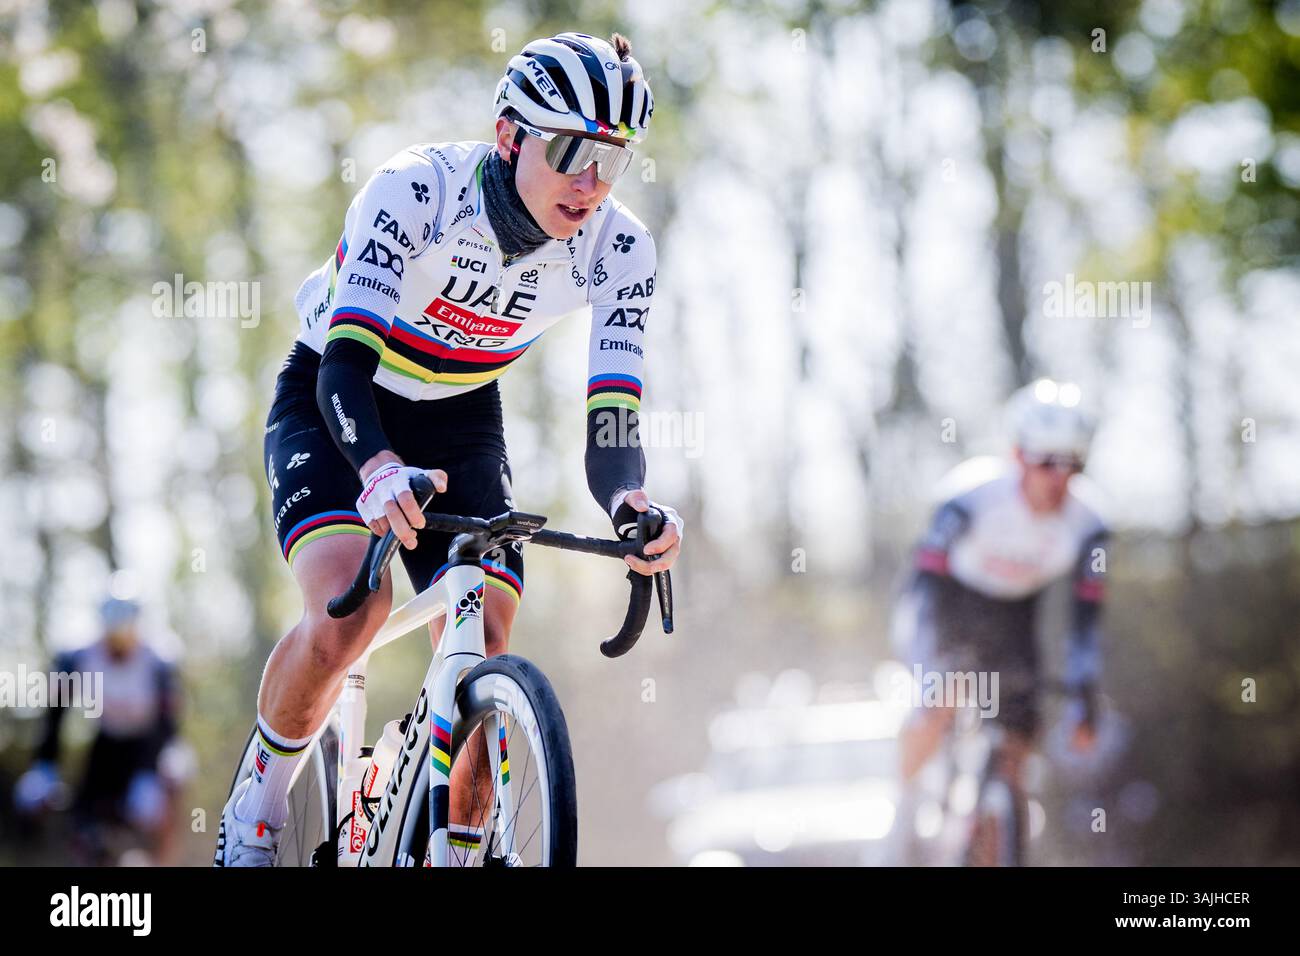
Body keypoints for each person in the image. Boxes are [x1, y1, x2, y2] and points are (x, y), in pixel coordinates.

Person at [215, 31, 684, 866]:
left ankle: (447, 840)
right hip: (340, 401)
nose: (592, 181)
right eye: (573, 150)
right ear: (510, 135)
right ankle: (259, 804)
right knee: (348, 614)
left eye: (613, 160)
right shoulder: (415, 190)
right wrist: (376, 468)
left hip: (463, 414)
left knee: (486, 633)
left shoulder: (620, 249)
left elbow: (613, 411)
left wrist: (630, 504)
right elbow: (345, 369)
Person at [893, 378, 1108, 864]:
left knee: (1015, 748)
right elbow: (923, 592)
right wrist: (929, 675)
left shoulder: (1090, 522)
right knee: (938, 703)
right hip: (949, 604)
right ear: (1017, 455)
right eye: (1046, 461)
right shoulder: (972, 496)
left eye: (1073, 462)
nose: (1059, 477)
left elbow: (1086, 617)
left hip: (1015, 616)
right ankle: (900, 826)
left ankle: (998, 835)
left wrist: (1085, 692)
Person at [14, 595, 184, 865]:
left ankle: (162, 861)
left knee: (177, 775)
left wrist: (151, 772)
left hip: (146, 748)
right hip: (103, 747)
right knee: (80, 825)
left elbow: (169, 724)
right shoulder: (78, 657)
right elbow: (56, 713)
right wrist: (45, 765)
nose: (116, 646)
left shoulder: (159, 661)